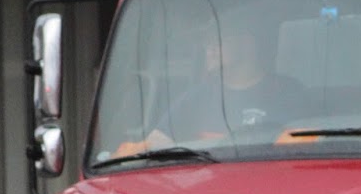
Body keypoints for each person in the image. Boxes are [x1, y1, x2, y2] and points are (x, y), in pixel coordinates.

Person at [110, 21, 302, 158]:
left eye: (217, 39)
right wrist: (128, 156)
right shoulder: (199, 95)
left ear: (247, 43)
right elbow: (158, 141)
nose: (209, 48)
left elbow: (305, 149)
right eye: (206, 42)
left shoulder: (287, 93)